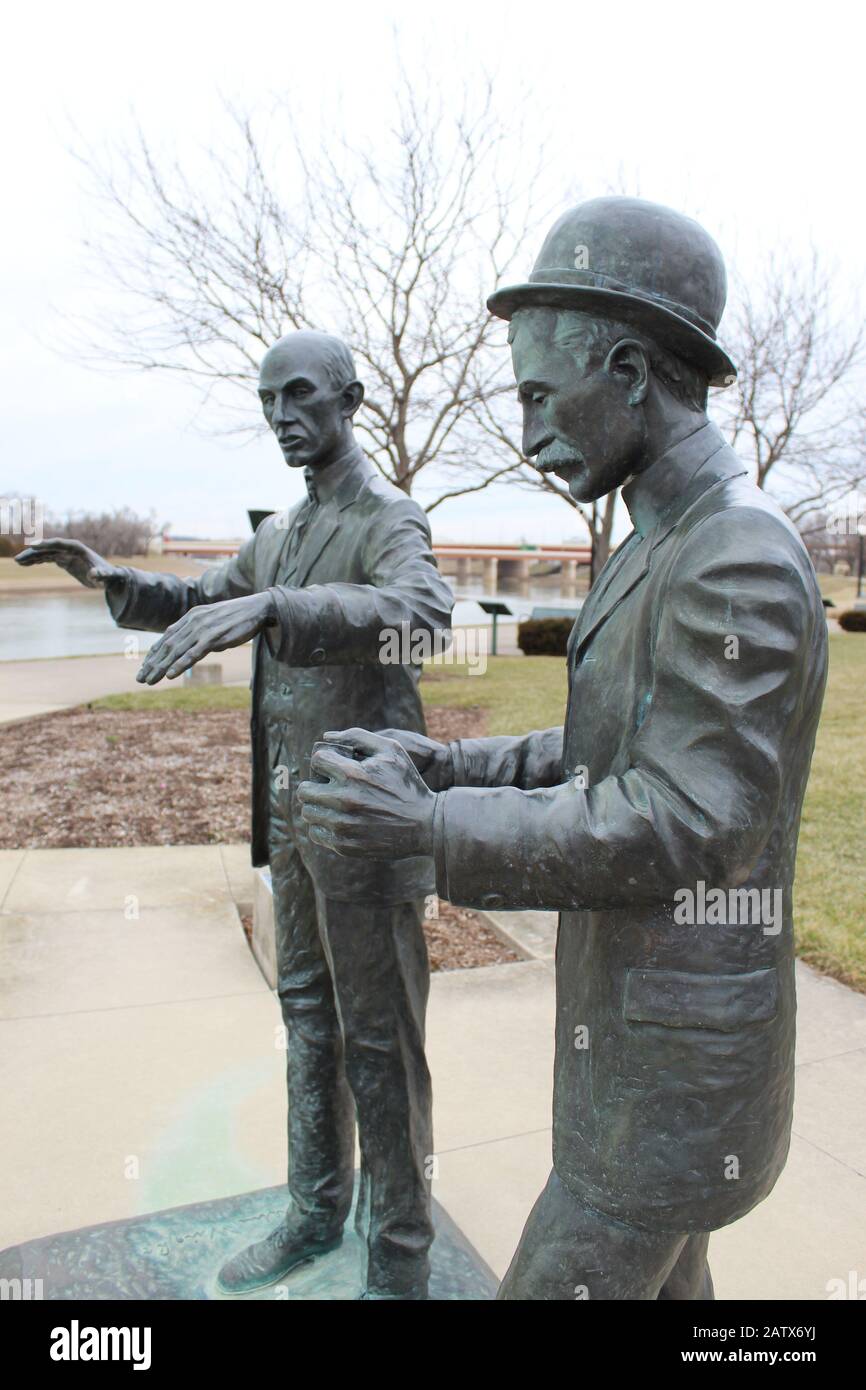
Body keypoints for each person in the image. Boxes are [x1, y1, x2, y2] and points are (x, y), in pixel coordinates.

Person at [296, 200, 829, 1300]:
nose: (529, 431)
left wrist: (425, 833)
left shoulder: (733, 554)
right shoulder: (661, 539)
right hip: (640, 1079)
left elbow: (690, 820)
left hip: (668, 1088)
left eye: (540, 396)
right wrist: (437, 764)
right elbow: (601, 753)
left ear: (628, 369)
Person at [17, 329, 453, 1301]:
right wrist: (106, 579)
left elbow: (420, 613)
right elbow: (200, 595)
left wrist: (276, 609)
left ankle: (399, 1254)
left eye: (298, 398)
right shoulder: (282, 532)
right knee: (306, 1016)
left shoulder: (386, 517)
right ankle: (312, 1211)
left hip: (365, 819)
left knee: (378, 1039)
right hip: (293, 811)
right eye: (268, 406)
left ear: (351, 398)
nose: (282, 420)